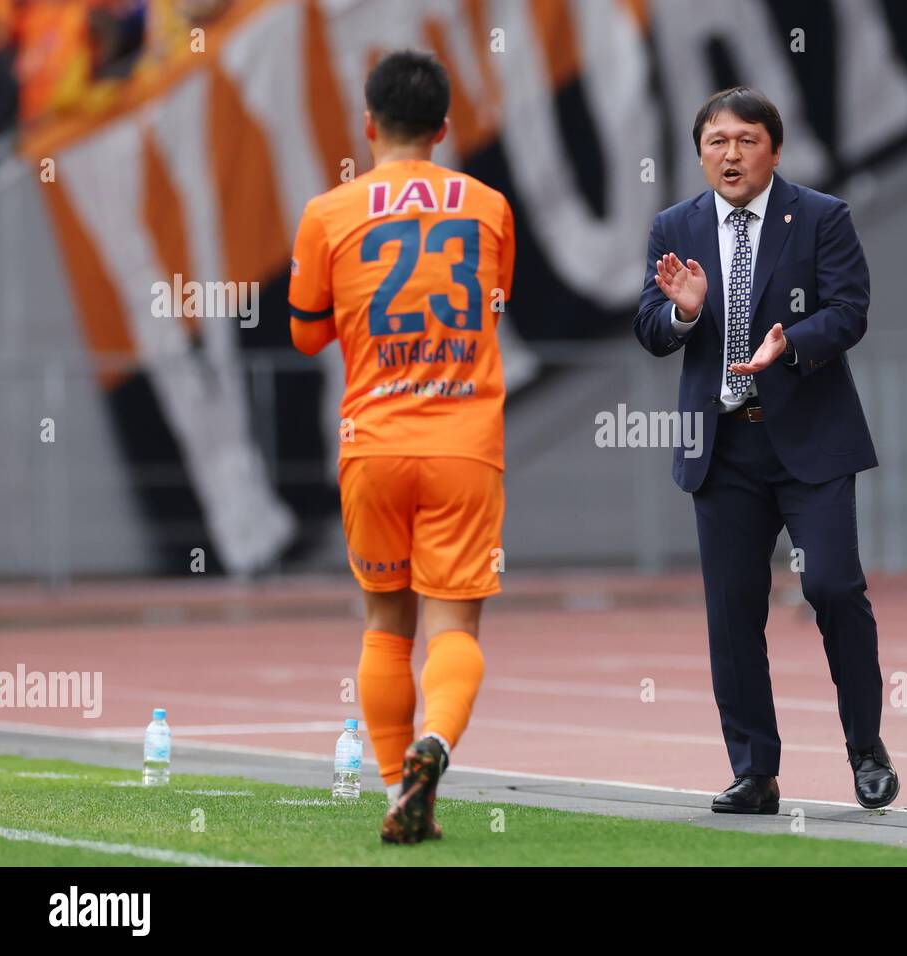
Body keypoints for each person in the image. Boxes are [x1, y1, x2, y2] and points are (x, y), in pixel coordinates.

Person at [633, 86, 898, 813]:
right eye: (716, 141)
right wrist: (683, 314)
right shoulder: (674, 227)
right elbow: (649, 327)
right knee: (733, 612)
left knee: (834, 587)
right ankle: (755, 772)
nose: (731, 154)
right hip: (722, 448)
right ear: (699, 152)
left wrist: (793, 344)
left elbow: (850, 311)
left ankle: (866, 749)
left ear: (774, 150)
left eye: (746, 140)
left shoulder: (820, 217)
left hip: (810, 440)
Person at [288, 49, 515, 843]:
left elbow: (306, 334)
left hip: (373, 444)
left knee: (386, 623)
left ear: (368, 125)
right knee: (456, 629)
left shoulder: (328, 213)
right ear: (446, 128)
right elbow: (492, 302)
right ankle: (436, 744)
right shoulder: (488, 206)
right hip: (463, 442)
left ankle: (396, 789)